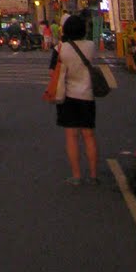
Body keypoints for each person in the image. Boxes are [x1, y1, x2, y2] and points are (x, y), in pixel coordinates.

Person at [53, 11, 99, 184]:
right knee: (89, 135)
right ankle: (94, 175)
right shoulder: (91, 46)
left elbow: (54, 71)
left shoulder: (61, 49)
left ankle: (77, 175)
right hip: (87, 95)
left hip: (68, 96)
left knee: (71, 136)